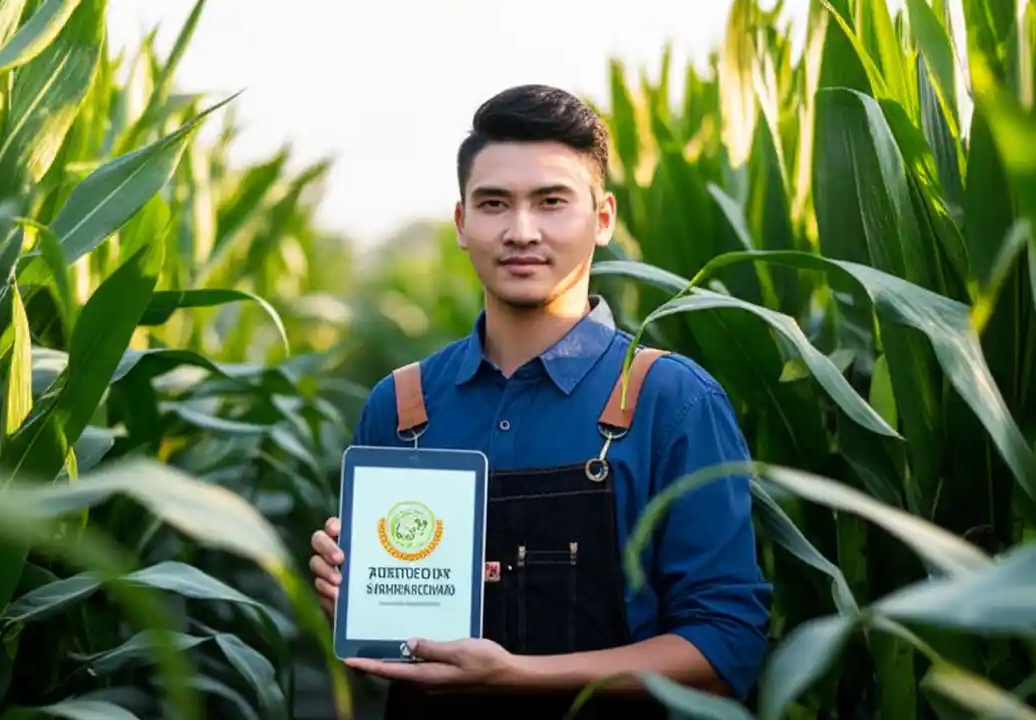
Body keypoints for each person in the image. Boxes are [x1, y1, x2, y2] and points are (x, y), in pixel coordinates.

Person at [309, 84, 771, 718]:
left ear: (602, 219)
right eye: (494, 203)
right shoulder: (401, 404)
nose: (521, 231)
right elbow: (383, 645)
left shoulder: (672, 400)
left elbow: (726, 646)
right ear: (462, 223)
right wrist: (353, 601)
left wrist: (516, 677)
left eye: (552, 202)